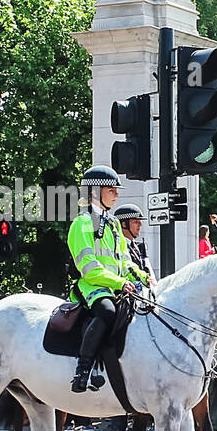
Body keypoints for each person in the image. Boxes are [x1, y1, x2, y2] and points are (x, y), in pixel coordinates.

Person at [67, 166, 147, 393]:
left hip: (116, 287)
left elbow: (124, 262)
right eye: (111, 189)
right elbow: (89, 268)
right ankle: (83, 370)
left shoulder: (112, 225)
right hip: (93, 287)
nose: (116, 194)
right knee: (108, 312)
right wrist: (119, 283)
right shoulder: (81, 223)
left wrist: (144, 277)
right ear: (94, 192)